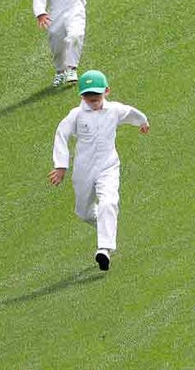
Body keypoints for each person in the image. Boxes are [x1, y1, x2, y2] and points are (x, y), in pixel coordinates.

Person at [49, 70, 149, 271]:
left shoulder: (114, 110)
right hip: (83, 170)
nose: (92, 101)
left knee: (108, 202)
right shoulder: (76, 115)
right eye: (88, 97)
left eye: (96, 96)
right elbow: (61, 134)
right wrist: (61, 166)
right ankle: (106, 225)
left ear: (107, 91)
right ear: (81, 96)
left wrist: (143, 122)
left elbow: (130, 112)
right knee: (84, 212)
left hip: (108, 166)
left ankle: (104, 249)